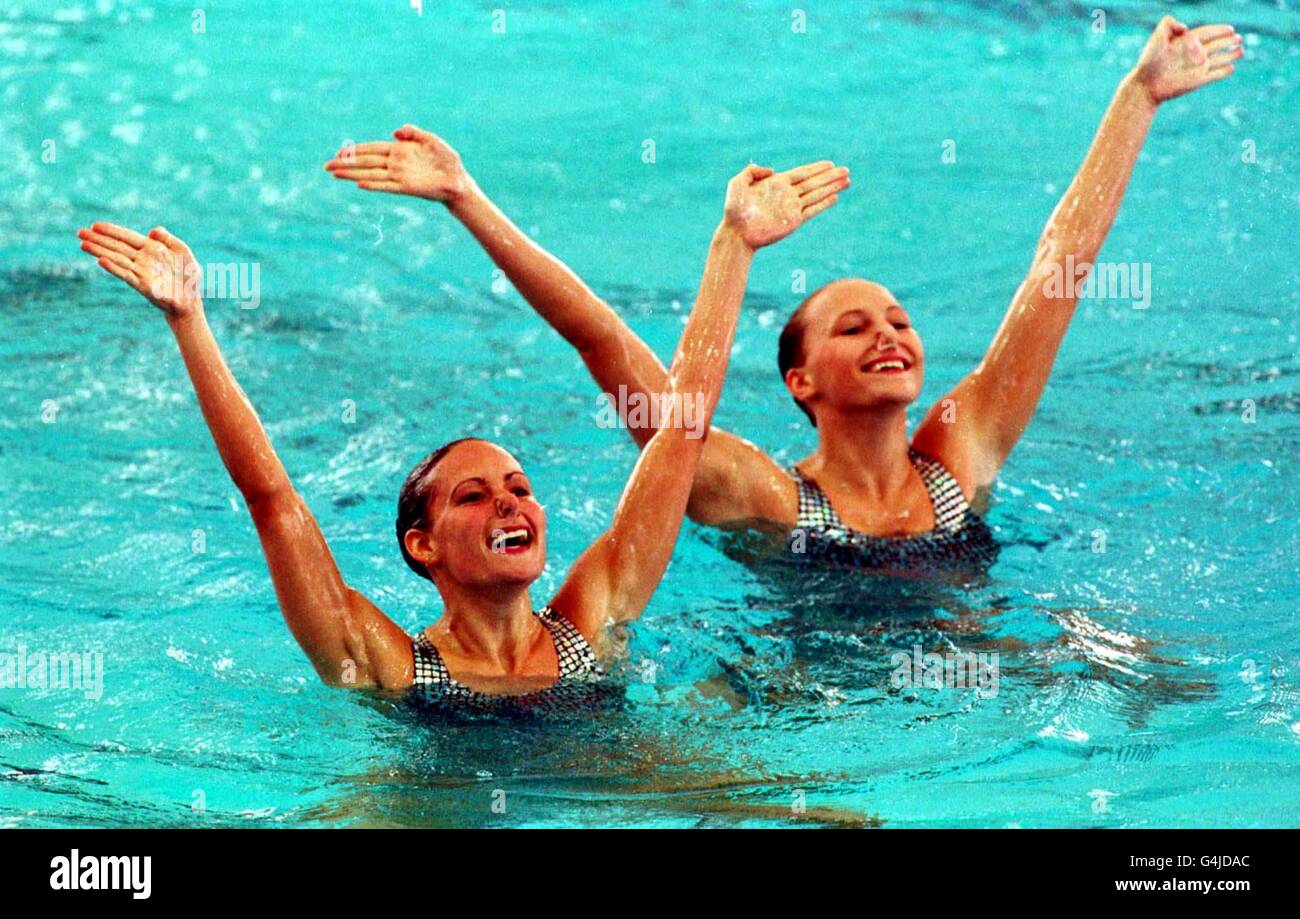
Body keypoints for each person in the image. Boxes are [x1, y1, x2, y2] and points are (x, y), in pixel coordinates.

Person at [325, 16, 1242, 579]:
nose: (888, 335)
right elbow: (601, 342)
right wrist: (467, 198)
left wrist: (1139, 98)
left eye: (899, 320)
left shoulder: (961, 454)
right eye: (854, 327)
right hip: (813, 702)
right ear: (801, 381)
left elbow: (1057, 272)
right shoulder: (761, 493)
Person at [73, 158, 848, 711]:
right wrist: (190, 319)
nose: (510, 505)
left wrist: (733, 243)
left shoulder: (592, 621)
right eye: (472, 496)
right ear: (423, 545)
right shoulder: (387, 663)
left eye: (519, 488)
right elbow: (271, 499)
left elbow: (679, 431)